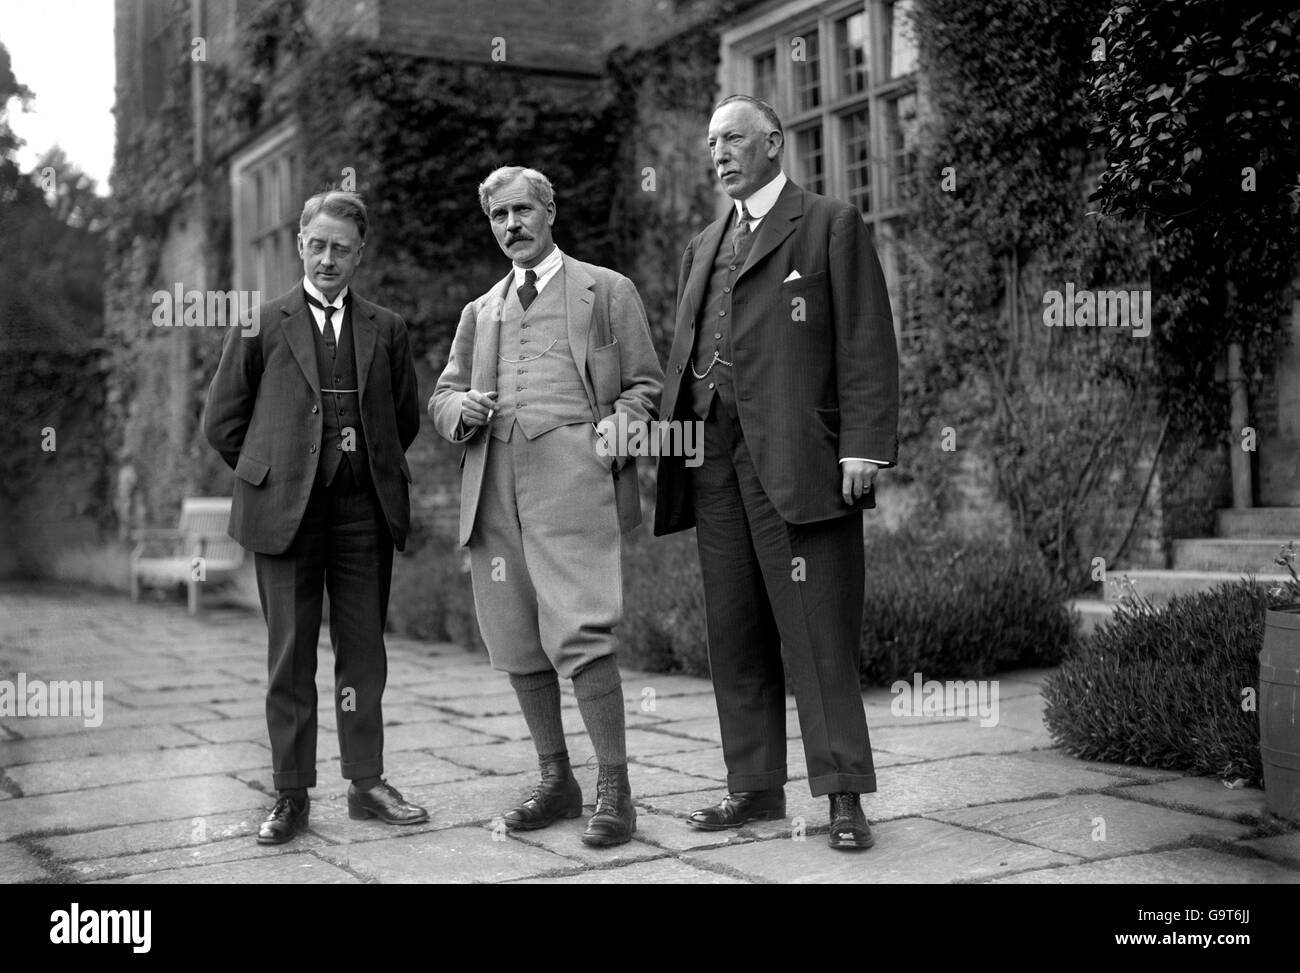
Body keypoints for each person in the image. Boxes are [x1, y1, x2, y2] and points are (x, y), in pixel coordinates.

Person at [653, 96, 900, 850]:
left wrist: (864, 445)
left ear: (773, 142)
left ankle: (844, 795)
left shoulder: (828, 224)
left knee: (817, 633)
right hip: (710, 457)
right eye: (711, 142)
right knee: (734, 630)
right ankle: (753, 786)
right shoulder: (704, 242)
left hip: (799, 458)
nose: (718, 152)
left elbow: (865, 339)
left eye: (732, 138)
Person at [430, 167, 663, 847]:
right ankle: (557, 779)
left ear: (550, 210)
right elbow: (442, 395)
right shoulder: (481, 311)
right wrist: (459, 411)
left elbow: (645, 385)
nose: (512, 225)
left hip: (572, 482)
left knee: (582, 629)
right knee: (516, 637)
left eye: (523, 210)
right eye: (499, 215)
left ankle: (615, 788)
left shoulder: (607, 290)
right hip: (493, 484)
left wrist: (615, 433)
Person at [204, 190, 427, 845]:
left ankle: (367, 783)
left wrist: (365, 465)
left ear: (360, 253)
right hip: (286, 517)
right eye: (318, 245)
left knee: (364, 655)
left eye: (342, 248)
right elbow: (221, 421)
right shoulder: (261, 322)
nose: (328, 258)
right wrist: (272, 475)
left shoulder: (385, 328)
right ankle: (291, 793)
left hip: (363, 513)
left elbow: (402, 419)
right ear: (300, 244)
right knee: (290, 658)